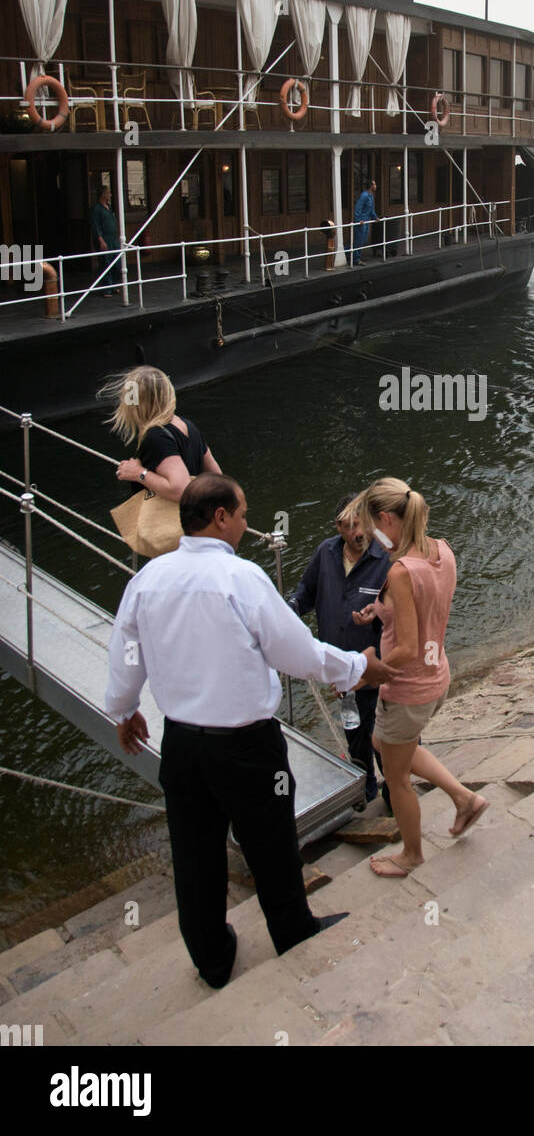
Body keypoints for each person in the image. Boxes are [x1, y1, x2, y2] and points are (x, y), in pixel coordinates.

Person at [106, 473, 394, 988]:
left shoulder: (146, 581)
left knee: (194, 855)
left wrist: (124, 709)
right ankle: (293, 934)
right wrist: (357, 667)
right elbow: (297, 654)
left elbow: (127, 653)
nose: (245, 523)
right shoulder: (242, 578)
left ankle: (212, 959)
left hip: (182, 745)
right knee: (271, 844)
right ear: (220, 517)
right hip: (245, 746)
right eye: (241, 514)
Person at [349, 477, 487, 877]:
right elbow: (426, 605)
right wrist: (381, 610)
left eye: (371, 527)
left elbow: (407, 648)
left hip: (408, 687)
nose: (369, 537)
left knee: (396, 777)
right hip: (438, 671)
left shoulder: (400, 573)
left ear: (387, 519)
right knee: (384, 741)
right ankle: (465, 799)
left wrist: (366, 671)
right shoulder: (441, 549)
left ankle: (411, 854)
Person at [289, 494, 391, 806]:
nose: (357, 533)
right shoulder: (326, 552)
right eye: (349, 527)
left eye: (361, 525)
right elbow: (305, 592)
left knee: (383, 734)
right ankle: (365, 789)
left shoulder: (386, 558)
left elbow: (401, 612)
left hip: (376, 667)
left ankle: (394, 789)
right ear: (338, 527)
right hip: (341, 671)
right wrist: (287, 610)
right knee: (354, 732)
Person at [100, 365, 221, 502]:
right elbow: (218, 479)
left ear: (138, 402)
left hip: (173, 521)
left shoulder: (156, 436)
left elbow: (180, 490)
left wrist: (138, 473)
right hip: (195, 520)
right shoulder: (187, 425)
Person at [90, 184, 121, 294]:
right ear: (103, 194)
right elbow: (95, 225)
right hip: (104, 238)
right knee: (106, 263)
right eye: (109, 193)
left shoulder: (109, 207)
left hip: (113, 238)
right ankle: (107, 288)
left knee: (117, 262)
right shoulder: (96, 209)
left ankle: (114, 284)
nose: (110, 195)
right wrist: (100, 240)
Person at [351, 179, 378, 266]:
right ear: (371, 186)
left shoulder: (371, 196)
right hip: (362, 221)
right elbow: (358, 208)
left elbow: (371, 209)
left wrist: (375, 217)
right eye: (374, 185)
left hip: (367, 220)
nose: (375, 186)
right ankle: (356, 259)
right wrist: (358, 220)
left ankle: (351, 254)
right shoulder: (364, 196)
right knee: (359, 240)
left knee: (364, 240)